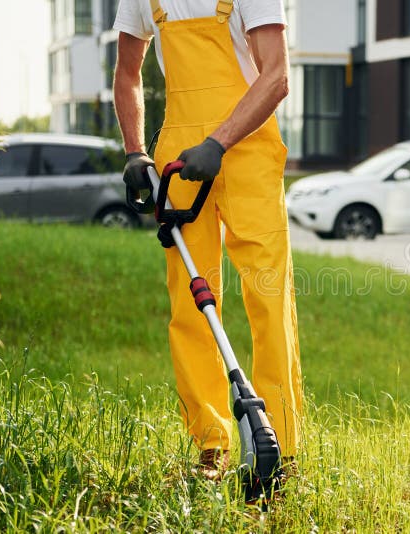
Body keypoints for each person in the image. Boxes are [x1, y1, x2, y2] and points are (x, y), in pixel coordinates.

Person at [112, 0, 302, 480]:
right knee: (190, 303)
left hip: (248, 147)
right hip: (181, 150)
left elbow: (276, 76)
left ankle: (280, 450)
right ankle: (211, 447)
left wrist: (219, 142)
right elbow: (128, 72)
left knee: (267, 295)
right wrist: (135, 150)